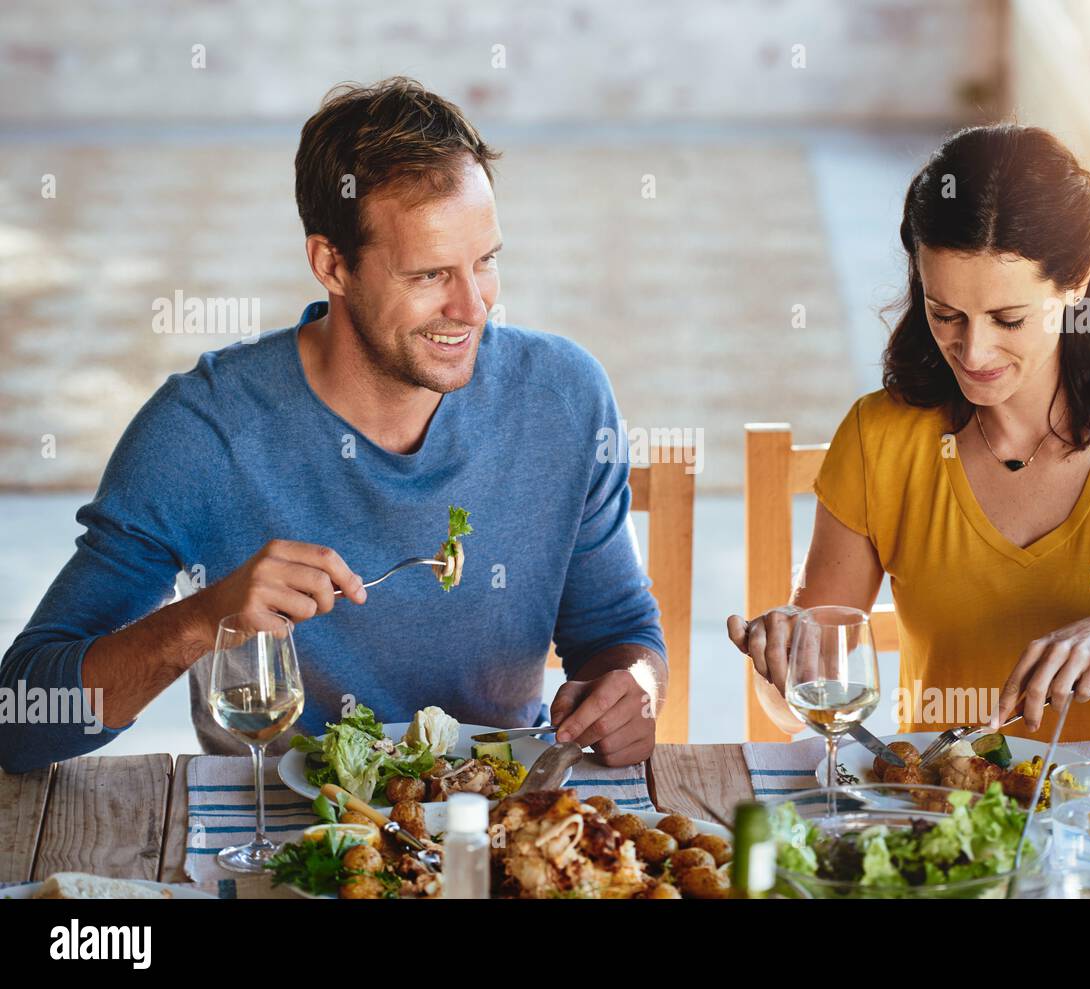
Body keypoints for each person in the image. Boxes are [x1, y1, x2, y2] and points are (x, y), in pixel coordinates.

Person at [0, 78, 666, 773]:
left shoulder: (562, 395)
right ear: (332, 264)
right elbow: (18, 719)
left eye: (486, 261)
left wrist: (635, 689)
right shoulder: (201, 432)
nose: (473, 307)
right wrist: (203, 622)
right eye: (430, 274)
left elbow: (620, 635)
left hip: (499, 823)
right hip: (288, 841)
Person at [729, 124, 1090, 743]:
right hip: (948, 819)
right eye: (945, 314)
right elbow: (795, 709)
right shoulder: (879, 439)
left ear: (1076, 282)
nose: (972, 350)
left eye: (1009, 318)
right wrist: (779, 666)